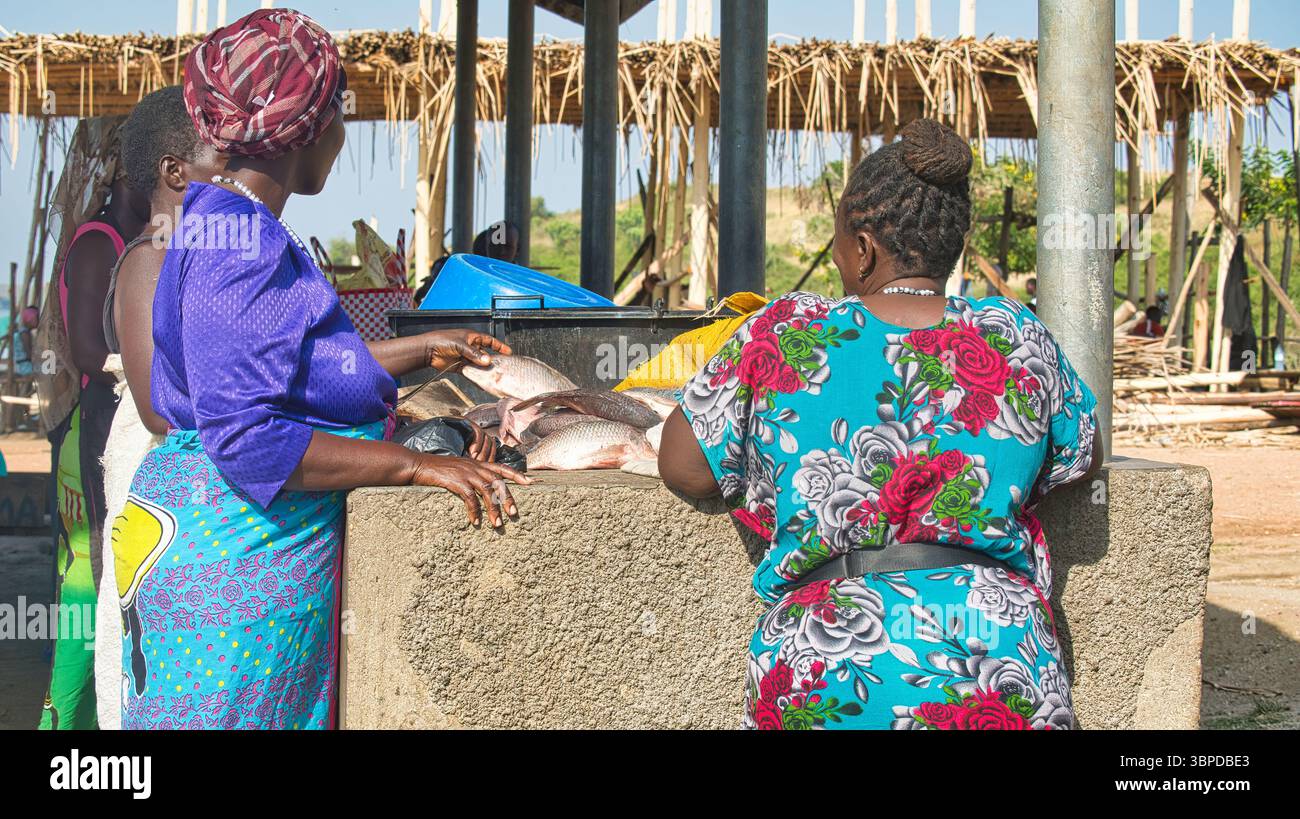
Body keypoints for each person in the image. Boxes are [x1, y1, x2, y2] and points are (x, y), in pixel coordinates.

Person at [111, 8, 528, 730]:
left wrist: (421, 349)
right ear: (301, 127)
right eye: (339, 109)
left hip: (224, 554)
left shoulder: (226, 222)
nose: (343, 130)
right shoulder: (239, 242)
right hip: (235, 573)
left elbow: (287, 369)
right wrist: (412, 465)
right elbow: (247, 435)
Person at [658, 119, 1102, 730]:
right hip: (1000, 653)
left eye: (841, 244)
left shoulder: (789, 330)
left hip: (826, 659)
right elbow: (1083, 456)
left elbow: (685, 466)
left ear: (863, 249)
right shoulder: (1014, 332)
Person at [93, 84, 230, 729]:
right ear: (175, 171)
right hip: (150, 470)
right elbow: (158, 410)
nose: (234, 175)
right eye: (221, 158)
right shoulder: (150, 259)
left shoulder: (201, 255)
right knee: (139, 643)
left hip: (179, 478)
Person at [40, 156, 148, 731]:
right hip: (96, 430)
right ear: (134, 171)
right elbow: (87, 352)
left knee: (116, 580)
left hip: (119, 424)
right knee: (90, 583)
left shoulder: (138, 239)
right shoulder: (97, 244)